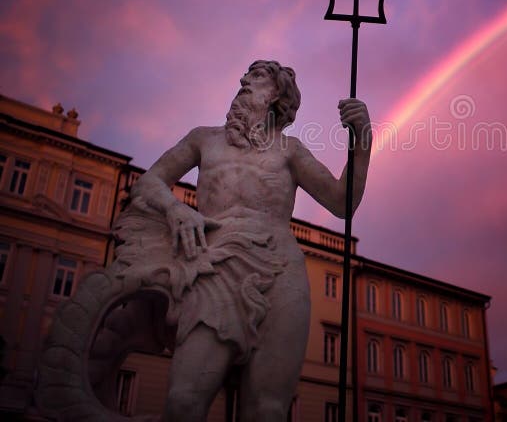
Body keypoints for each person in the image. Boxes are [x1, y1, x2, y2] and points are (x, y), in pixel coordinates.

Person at [126, 60, 371, 421]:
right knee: (183, 402)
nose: (242, 80)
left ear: (276, 96)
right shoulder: (203, 139)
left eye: (255, 77)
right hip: (213, 267)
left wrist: (361, 141)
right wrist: (174, 209)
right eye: (246, 75)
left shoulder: (290, 150)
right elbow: (148, 183)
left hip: (279, 272)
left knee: (267, 411)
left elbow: (342, 202)